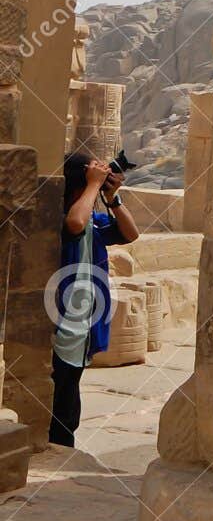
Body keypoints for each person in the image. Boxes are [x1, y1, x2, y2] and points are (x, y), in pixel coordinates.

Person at [49, 151, 139, 448]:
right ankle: (56, 448)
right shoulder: (58, 216)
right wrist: (92, 186)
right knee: (60, 398)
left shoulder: (92, 221)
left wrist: (112, 197)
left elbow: (130, 233)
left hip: (84, 322)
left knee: (68, 393)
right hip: (60, 320)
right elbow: (74, 223)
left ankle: (61, 444)